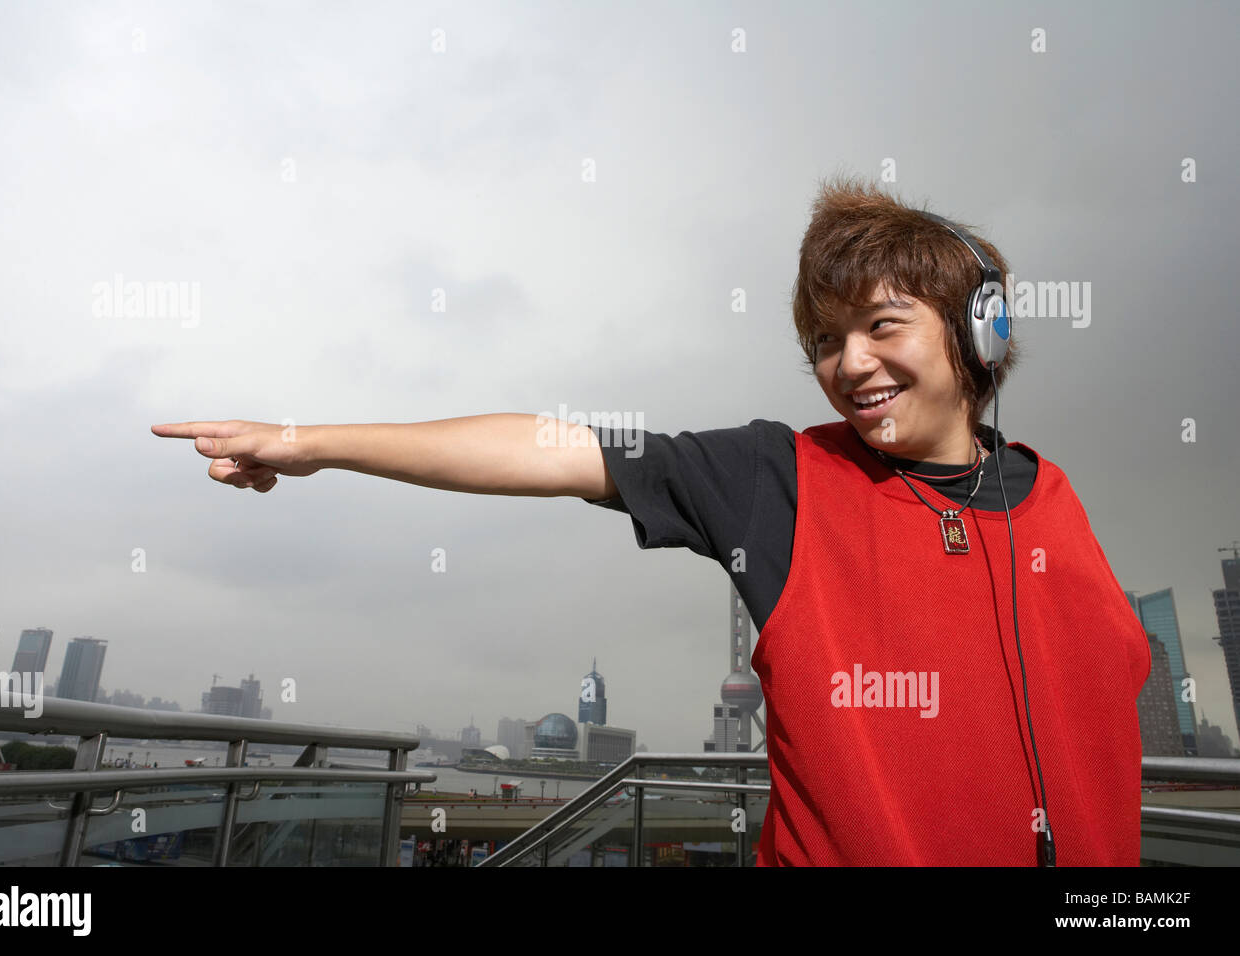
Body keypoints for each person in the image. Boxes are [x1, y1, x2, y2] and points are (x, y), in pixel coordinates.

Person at [151, 175, 1150, 866]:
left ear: (982, 328)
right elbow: (553, 448)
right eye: (822, 341)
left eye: (880, 325)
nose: (847, 363)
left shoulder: (1056, 498)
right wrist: (315, 439)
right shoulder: (779, 476)